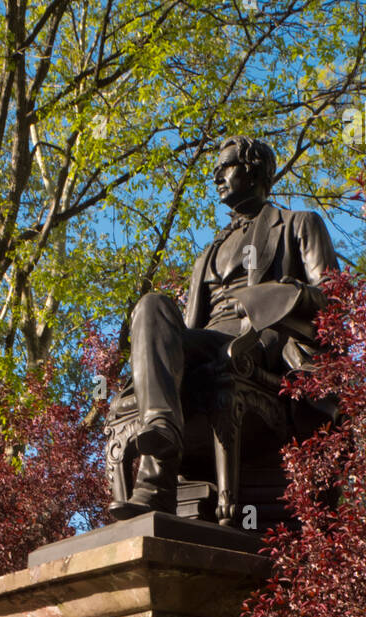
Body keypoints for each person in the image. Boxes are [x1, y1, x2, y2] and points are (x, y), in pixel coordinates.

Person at [109, 135, 339, 519]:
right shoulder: (208, 253)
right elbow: (188, 325)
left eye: (225, 167)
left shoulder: (299, 224)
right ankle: (163, 431)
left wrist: (264, 297)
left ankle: (154, 486)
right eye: (215, 170)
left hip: (259, 343)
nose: (216, 176)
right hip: (206, 344)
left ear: (253, 171)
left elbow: (334, 299)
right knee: (150, 304)